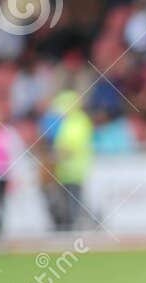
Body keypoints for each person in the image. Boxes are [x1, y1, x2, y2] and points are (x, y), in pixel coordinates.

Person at [44, 91, 94, 231]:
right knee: (68, 202)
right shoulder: (68, 121)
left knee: (74, 203)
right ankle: (74, 227)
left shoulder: (78, 121)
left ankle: (78, 228)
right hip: (64, 171)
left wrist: (56, 155)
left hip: (74, 171)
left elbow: (73, 146)